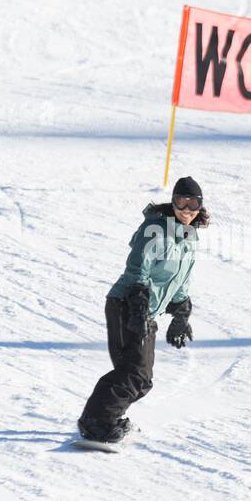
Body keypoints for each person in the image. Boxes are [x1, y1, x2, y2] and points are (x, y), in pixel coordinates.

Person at [78, 176, 209, 443]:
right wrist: (137, 308)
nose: (187, 209)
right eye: (181, 201)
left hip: (145, 310)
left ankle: (107, 418)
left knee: (141, 379)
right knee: (133, 374)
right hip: (126, 304)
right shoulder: (156, 229)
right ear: (172, 202)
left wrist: (181, 314)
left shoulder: (189, 237)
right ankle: (97, 423)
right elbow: (138, 269)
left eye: (193, 203)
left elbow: (180, 281)